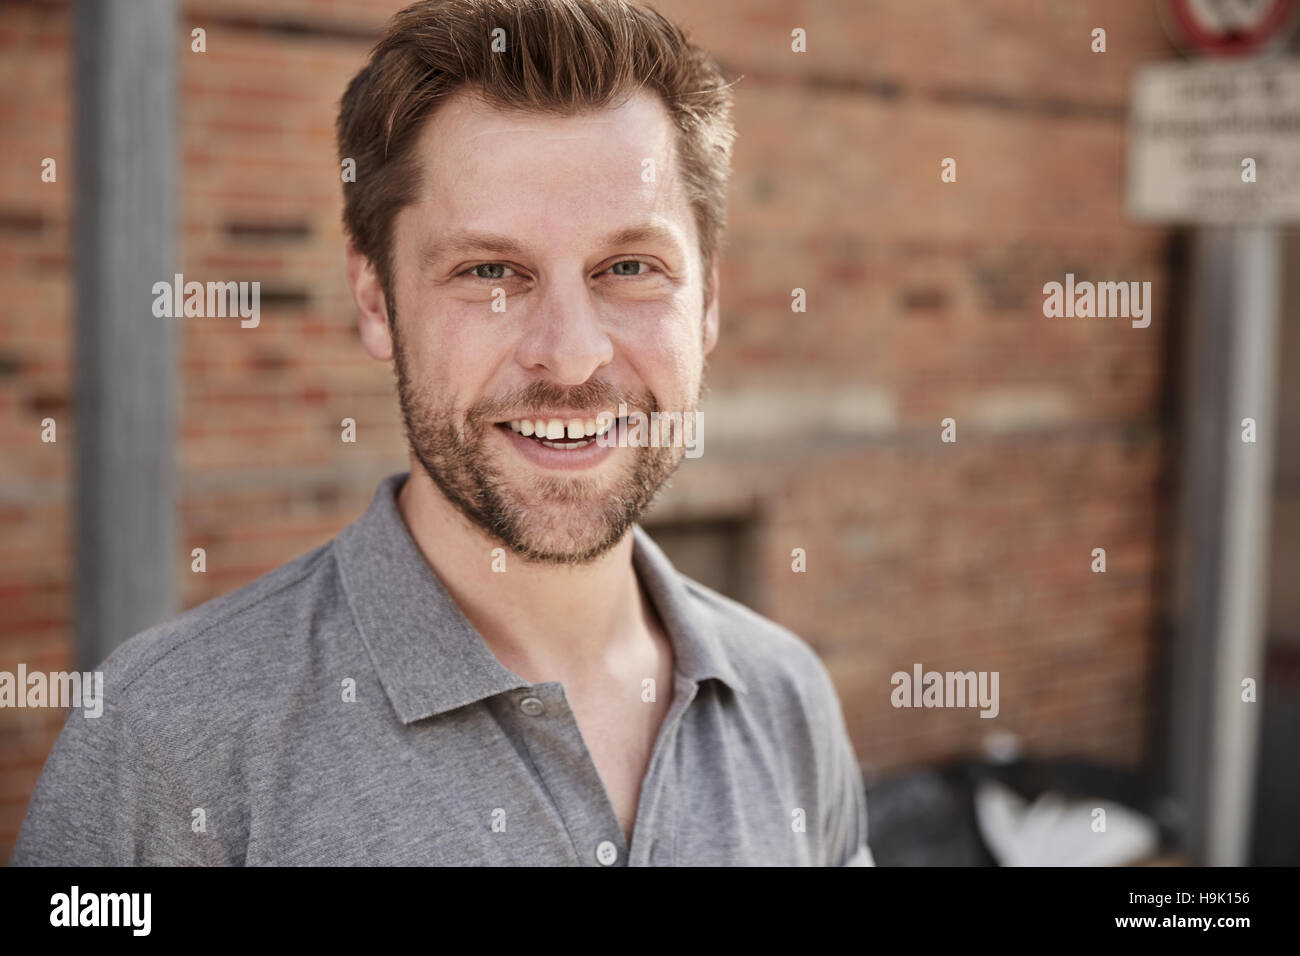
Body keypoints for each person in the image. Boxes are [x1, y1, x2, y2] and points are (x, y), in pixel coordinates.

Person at [12, 0, 873, 866]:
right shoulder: (166, 743)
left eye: (630, 268)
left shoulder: (787, 698)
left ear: (709, 300)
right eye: (490, 271)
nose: (571, 357)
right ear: (376, 299)